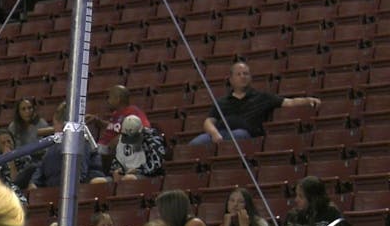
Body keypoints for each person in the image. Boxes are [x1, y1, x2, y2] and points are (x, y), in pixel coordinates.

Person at [190, 60, 321, 145]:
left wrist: (307, 100)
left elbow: (290, 102)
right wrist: (214, 134)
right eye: (239, 74)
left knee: (238, 135)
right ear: (230, 79)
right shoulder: (222, 101)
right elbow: (209, 121)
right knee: (194, 144)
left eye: (246, 74)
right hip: (221, 133)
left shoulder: (262, 97)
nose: (243, 76)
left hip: (246, 135)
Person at [24, 102, 109, 190]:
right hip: (54, 191)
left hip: (82, 190)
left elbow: (80, 175)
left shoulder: (81, 142)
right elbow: (39, 172)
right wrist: (33, 183)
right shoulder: (51, 148)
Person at [90, 85, 149, 156]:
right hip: (100, 147)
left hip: (108, 152)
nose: (107, 101)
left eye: (109, 97)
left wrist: (119, 140)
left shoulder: (133, 112)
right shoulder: (116, 113)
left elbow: (144, 130)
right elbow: (116, 127)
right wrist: (98, 121)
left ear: (117, 99)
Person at [109, 114, 166, 181]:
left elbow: (156, 163)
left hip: (150, 176)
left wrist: (138, 170)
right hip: (126, 174)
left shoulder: (152, 138)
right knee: (98, 181)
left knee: (128, 179)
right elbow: (117, 160)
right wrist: (117, 170)